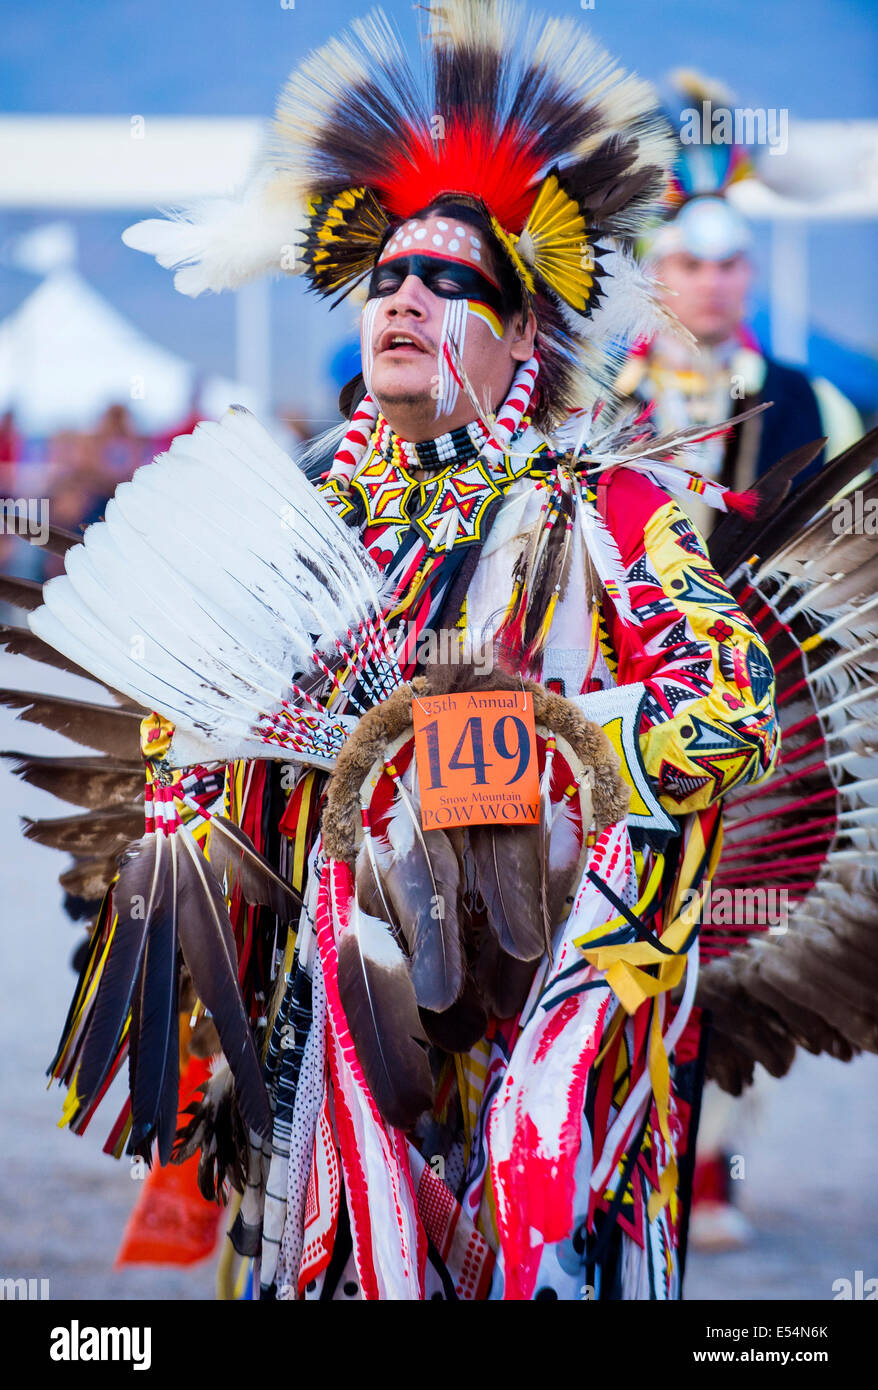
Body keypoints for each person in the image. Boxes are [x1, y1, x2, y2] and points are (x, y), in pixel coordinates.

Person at [7, 0, 877, 1304]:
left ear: (523, 334)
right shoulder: (298, 513)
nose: (404, 296)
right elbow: (185, 748)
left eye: (451, 282)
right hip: (324, 1053)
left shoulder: (603, 510)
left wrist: (545, 749)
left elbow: (728, 704)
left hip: (540, 1057)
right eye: (385, 279)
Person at [616, 72, 861, 537]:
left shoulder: (816, 405)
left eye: (728, 265)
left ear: (750, 272)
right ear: (652, 275)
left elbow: (847, 552)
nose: (712, 284)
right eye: (691, 265)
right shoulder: (600, 401)